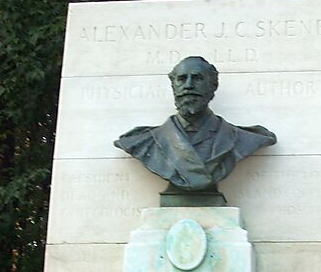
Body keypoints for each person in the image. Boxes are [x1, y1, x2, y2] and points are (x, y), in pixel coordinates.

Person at [114, 56, 276, 201]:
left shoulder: (243, 138)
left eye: (197, 78)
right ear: (173, 87)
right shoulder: (142, 141)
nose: (189, 86)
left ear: (213, 86)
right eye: (182, 79)